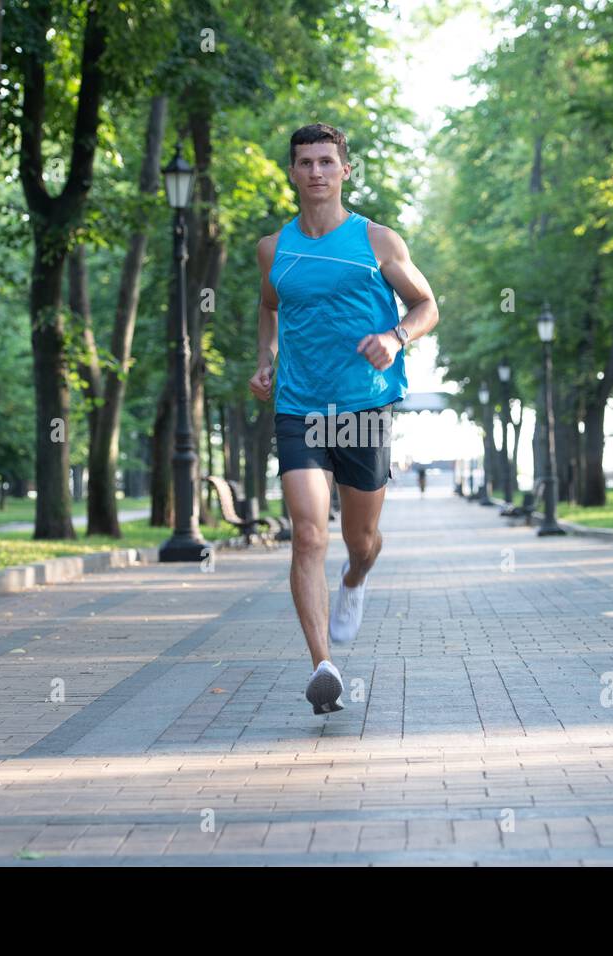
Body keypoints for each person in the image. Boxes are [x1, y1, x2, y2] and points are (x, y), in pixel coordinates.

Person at [248, 123, 439, 714]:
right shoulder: (273, 250)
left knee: (361, 540)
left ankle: (355, 579)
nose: (316, 172)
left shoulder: (378, 241)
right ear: (292, 172)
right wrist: (265, 358)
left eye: (326, 162)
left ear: (345, 171)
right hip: (299, 406)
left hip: (363, 405)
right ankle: (322, 664)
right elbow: (268, 305)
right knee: (308, 533)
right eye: (304, 162)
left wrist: (397, 336)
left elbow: (427, 304)